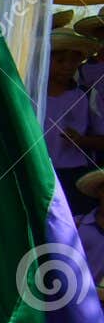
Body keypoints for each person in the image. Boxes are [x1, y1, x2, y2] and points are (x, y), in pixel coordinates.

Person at [44, 28, 104, 211]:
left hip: (74, 175)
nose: (67, 66)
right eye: (60, 61)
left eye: (74, 61)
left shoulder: (87, 96)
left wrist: (82, 140)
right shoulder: (31, 95)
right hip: (40, 170)